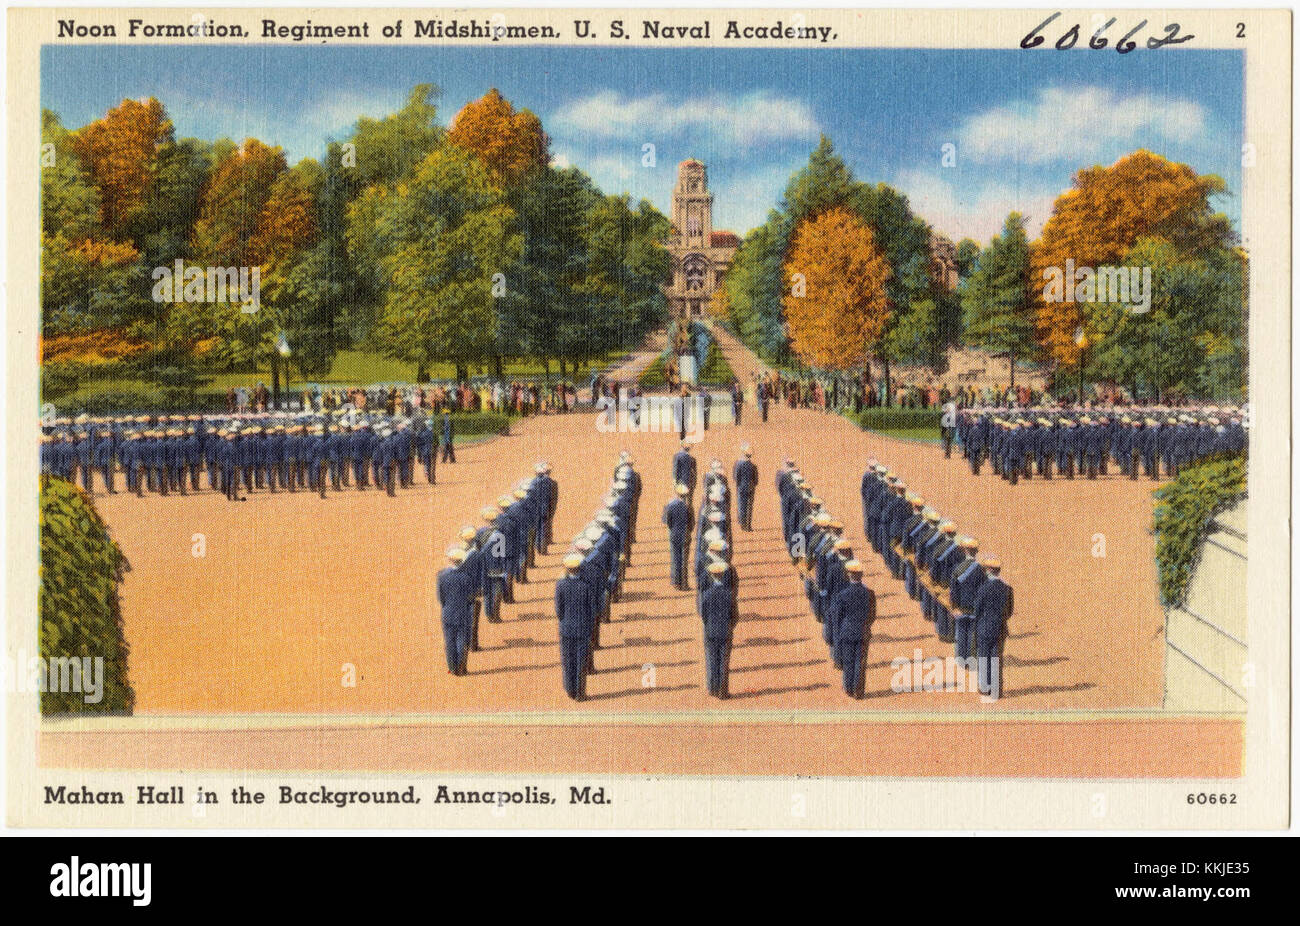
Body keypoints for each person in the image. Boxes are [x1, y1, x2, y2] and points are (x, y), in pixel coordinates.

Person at [829, 560, 875, 698]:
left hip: (847, 631)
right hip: (863, 631)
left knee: (848, 661)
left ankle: (848, 688)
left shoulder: (843, 595)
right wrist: (866, 625)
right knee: (860, 663)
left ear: (849, 575)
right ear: (861, 575)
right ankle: (858, 691)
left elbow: (838, 616)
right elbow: (872, 615)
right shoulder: (869, 593)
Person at [971, 557, 1013, 699]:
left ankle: (984, 687)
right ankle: (997, 690)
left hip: (983, 628)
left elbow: (977, 610)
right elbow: (1009, 611)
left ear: (989, 570)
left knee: (983, 657)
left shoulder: (983, 588)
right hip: (1000, 628)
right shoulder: (1007, 589)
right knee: (996, 659)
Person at [555, 553, 596, 701]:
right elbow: (592, 610)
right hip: (582, 628)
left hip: (566, 629)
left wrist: (564, 621)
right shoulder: (586, 586)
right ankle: (580, 693)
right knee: (581, 662)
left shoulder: (560, 585)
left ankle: (570, 689)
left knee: (567, 661)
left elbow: (558, 610)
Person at [700, 560, 738, 698]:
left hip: (710, 630)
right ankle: (723, 691)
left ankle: (713, 688)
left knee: (712, 660)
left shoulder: (706, 595)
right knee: (724, 662)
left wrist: (709, 624)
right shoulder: (729, 595)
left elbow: (703, 614)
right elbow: (735, 615)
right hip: (725, 631)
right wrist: (730, 626)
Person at [438, 547, 476, 675]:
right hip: (463, 613)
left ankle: (452, 667)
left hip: (448, 613)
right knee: (461, 640)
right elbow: (471, 597)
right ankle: (460, 666)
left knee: (449, 641)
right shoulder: (466, 577)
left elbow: (441, 598)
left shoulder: (442, 576)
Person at [663, 483, 693, 590]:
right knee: (684, 561)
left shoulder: (670, 505)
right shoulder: (688, 507)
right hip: (685, 535)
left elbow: (667, 521)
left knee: (675, 558)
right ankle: (684, 583)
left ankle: (676, 581)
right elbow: (691, 523)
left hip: (674, 534)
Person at [733, 446, 757, 531]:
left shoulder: (739, 465)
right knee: (749, 507)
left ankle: (742, 525)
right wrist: (753, 486)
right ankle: (748, 526)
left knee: (742, 506)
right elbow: (756, 479)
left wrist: (739, 485)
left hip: (741, 488)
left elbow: (736, 477)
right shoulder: (753, 466)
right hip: (751, 488)